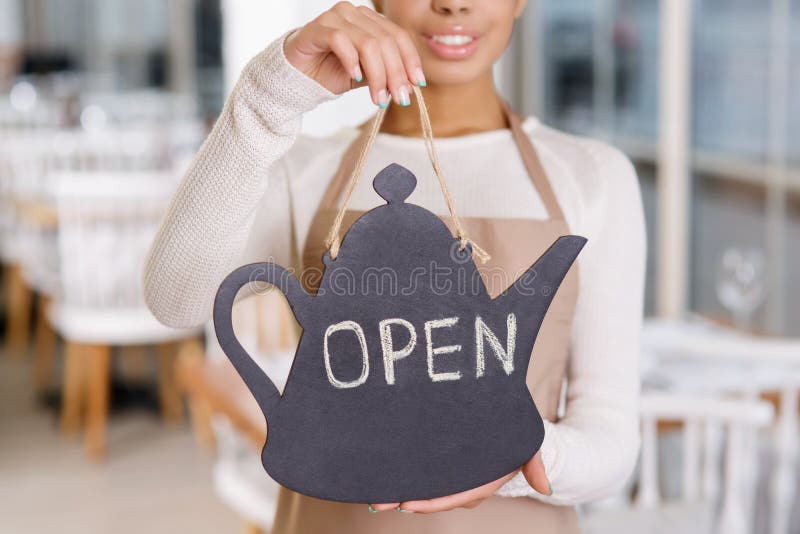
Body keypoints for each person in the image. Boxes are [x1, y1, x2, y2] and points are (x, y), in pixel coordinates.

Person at [144, 1, 646, 532]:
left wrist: (508, 460)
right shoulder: (308, 171)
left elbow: (612, 443)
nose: (454, 3)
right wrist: (267, 98)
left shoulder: (593, 177)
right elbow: (176, 299)